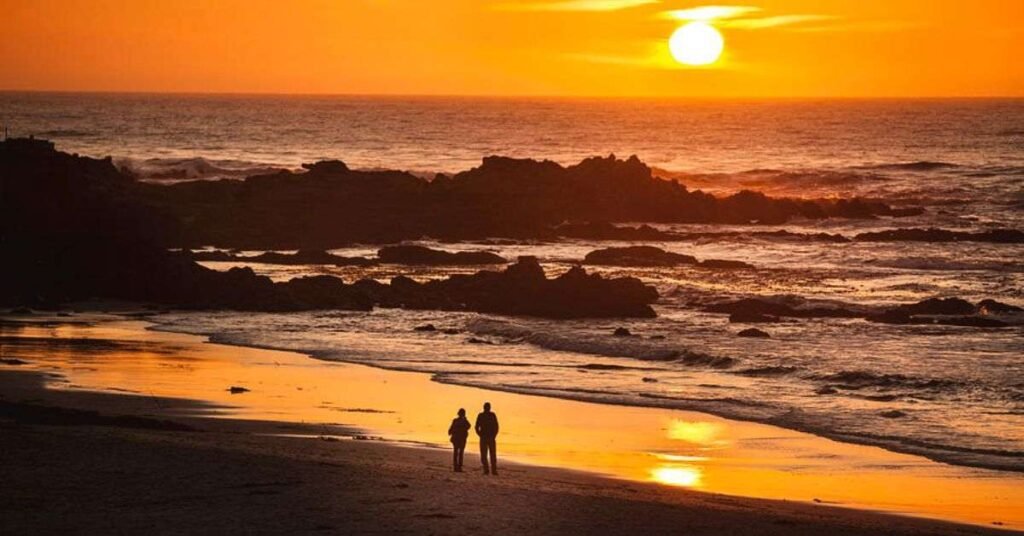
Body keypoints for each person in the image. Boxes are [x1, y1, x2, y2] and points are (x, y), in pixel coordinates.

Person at [474, 402, 499, 475]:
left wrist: (494, 435)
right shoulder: (483, 415)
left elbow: (496, 426)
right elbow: (476, 426)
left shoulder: (490, 415)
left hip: (488, 437)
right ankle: (489, 470)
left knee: (489, 454)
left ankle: (490, 470)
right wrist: (480, 434)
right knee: (488, 455)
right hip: (486, 437)